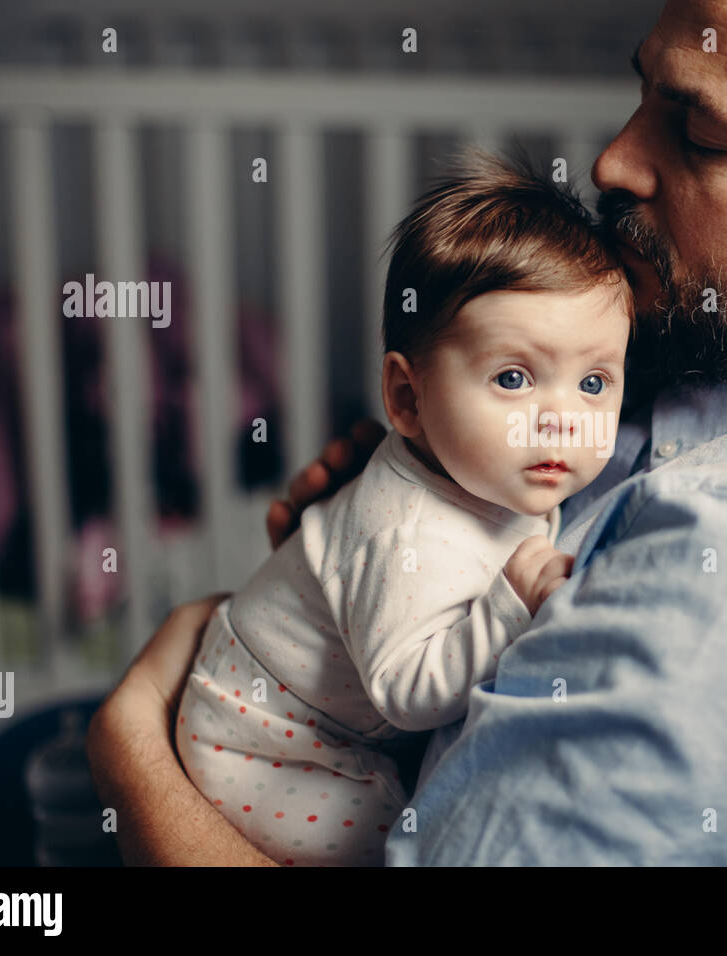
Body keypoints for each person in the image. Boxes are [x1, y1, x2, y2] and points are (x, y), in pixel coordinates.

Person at [87, 0, 727, 865]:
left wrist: (130, 749)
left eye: (701, 136)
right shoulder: (713, 367)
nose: (612, 160)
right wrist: (365, 564)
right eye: (644, 96)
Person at [173, 153, 633, 866]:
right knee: (410, 842)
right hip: (262, 741)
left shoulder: (500, 474)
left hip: (313, 720)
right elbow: (407, 696)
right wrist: (511, 605)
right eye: (514, 377)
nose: (562, 420)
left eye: (595, 381)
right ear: (407, 399)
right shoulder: (407, 532)